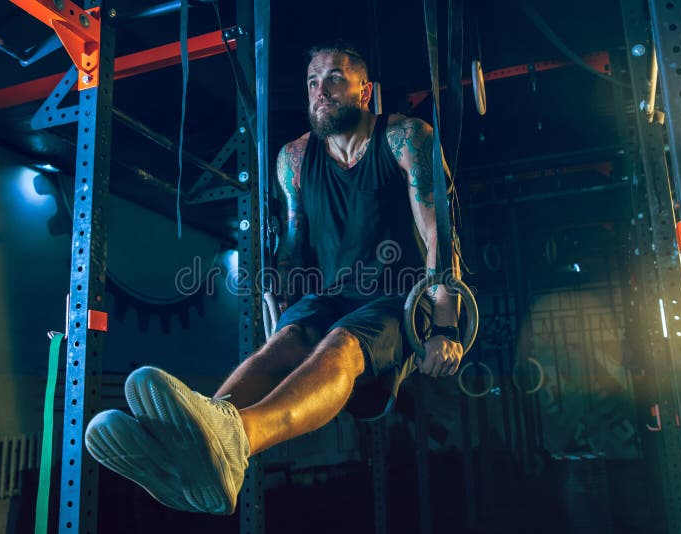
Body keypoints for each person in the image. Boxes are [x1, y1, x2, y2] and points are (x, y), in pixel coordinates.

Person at [84, 43, 465, 516]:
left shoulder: (405, 138)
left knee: (340, 343)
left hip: (398, 301)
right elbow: (292, 246)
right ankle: (186, 448)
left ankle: (235, 440)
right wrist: (279, 312)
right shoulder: (295, 159)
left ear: (364, 91)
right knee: (284, 342)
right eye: (311, 82)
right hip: (330, 297)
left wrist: (445, 329)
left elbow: (437, 233)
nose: (319, 92)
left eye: (333, 79)